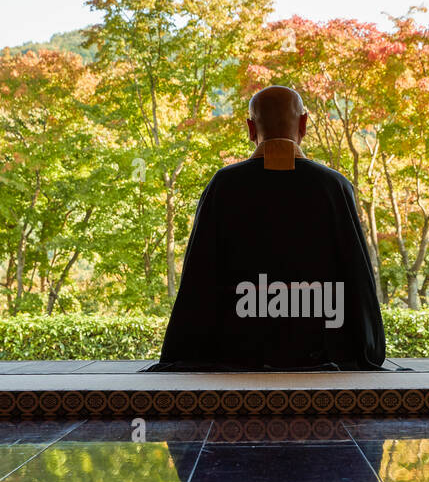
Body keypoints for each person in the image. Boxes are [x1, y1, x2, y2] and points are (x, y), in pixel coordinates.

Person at [150, 86, 386, 371]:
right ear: (304, 124)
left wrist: (181, 351)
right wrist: (369, 348)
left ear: (251, 128)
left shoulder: (224, 186)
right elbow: (357, 279)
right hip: (323, 352)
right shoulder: (334, 186)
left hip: (237, 354)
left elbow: (199, 281)